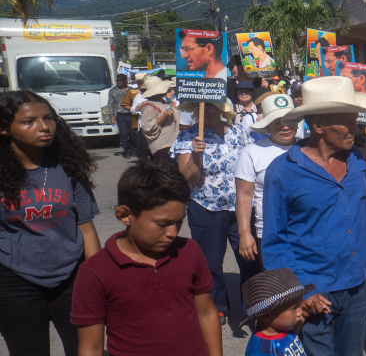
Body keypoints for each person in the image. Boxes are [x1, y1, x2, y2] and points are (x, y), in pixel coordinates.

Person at [262, 76, 366, 356]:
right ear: (318, 125)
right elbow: (275, 242)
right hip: (314, 293)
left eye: (356, 120)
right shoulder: (282, 171)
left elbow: (365, 220)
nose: (356, 128)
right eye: (347, 122)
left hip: (356, 288)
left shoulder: (357, 161)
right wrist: (301, 292)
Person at [72, 160, 221, 356]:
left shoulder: (189, 251)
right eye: (162, 224)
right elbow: (90, 348)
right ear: (124, 215)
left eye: (178, 223)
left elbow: (207, 313)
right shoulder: (95, 271)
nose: (173, 233)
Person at [0, 90, 100, 356]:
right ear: (4, 129)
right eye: (28, 121)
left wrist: (99, 280)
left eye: (48, 118)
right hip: (14, 282)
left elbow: (86, 228)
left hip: (72, 279)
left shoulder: (69, 168)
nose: (44, 127)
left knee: (86, 350)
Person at [172, 99, 256, 323]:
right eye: (201, 106)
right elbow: (187, 179)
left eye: (211, 105)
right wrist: (196, 154)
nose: (206, 110)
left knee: (251, 259)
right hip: (206, 206)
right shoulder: (187, 136)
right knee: (210, 263)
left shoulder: (239, 132)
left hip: (242, 207)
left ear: (222, 109)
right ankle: (216, 305)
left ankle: (254, 304)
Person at [235, 94, 296, 282]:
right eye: (277, 122)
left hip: (308, 231)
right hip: (270, 234)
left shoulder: (310, 148)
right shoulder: (251, 152)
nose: (285, 126)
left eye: (290, 120)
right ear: (267, 125)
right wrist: (245, 234)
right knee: (280, 288)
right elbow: (244, 196)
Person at [239, 268, 312, 356]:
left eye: (299, 306)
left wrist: (303, 316)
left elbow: (292, 336)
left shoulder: (283, 327)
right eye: (294, 308)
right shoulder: (261, 351)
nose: (300, 311)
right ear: (266, 316)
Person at [137, 76, 179, 162]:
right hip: (162, 146)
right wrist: (164, 117)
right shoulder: (149, 106)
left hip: (171, 144)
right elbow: (147, 127)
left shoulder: (162, 103)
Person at [110, 73, 136, 158]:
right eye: (117, 80)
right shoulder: (113, 91)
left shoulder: (131, 90)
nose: (119, 82)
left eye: (120, 80)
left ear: (125, 81)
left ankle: (134, 149)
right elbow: (111, 103)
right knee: (124, 134)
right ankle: (127, 151)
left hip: (131, 114)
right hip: (121, 115)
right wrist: (111, 115)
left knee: (133, 133)